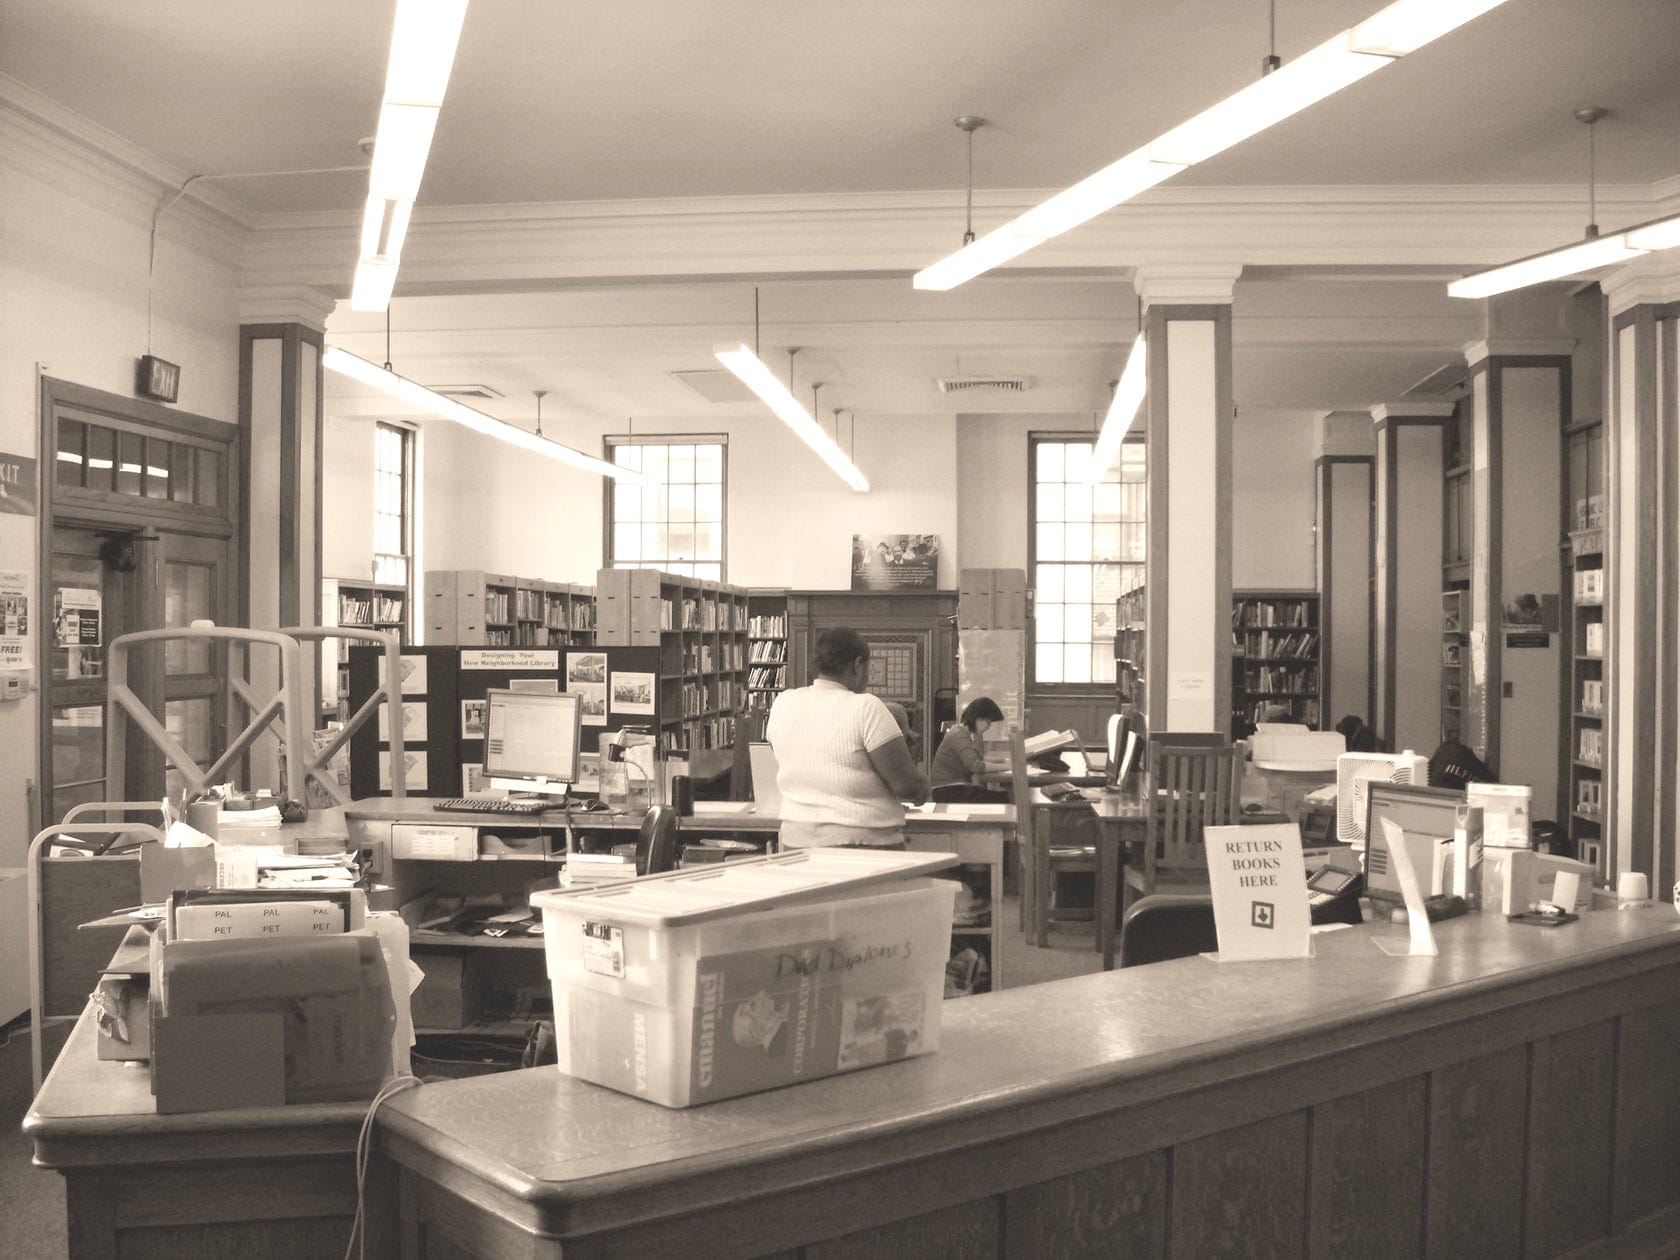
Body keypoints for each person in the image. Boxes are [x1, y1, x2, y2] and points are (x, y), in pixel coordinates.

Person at [765, 627, 929, 849]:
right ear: (858, 664)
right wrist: (923, 787)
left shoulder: (782, 703)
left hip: (796, 842)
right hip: (863, 843)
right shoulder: (866, 707)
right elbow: (908, 786)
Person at [929, 697, 1010, 804]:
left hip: (954, 789)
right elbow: (977, 766)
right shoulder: (958, 734)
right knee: (1005, 798)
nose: (989, 726)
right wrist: (1009, 767)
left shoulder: (966, 734)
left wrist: (1001, 761)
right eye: (988, 722)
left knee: (1002, 797)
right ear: (978, 718)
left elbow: (980, 758)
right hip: (948, 791)